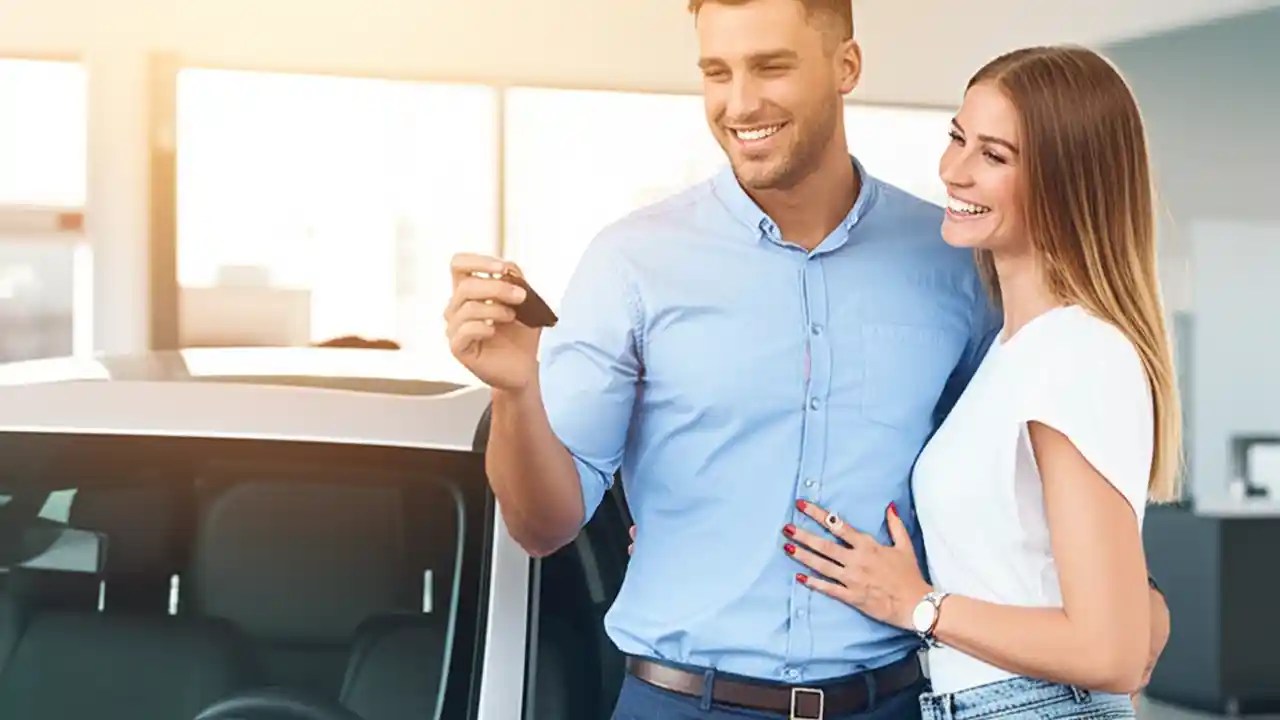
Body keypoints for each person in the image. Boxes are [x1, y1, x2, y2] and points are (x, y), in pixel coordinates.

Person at [443, 0, 1170, 717]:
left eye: (770, 67)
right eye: (716, 71)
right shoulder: (633, 262)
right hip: (683, 701)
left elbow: (1016, 492)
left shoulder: (955, 264)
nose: (739, 101)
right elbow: (542, 526)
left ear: (846, 65)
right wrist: (517, 393)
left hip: (895, 701)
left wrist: (1127, 612)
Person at [779, 46, 1179, 719]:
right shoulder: (1014, 349)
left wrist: (918, 604)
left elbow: (1110, 649)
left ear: (1066, 181)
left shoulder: (1077, 353)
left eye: (993, 156)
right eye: (958, 138)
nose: (952, 171)